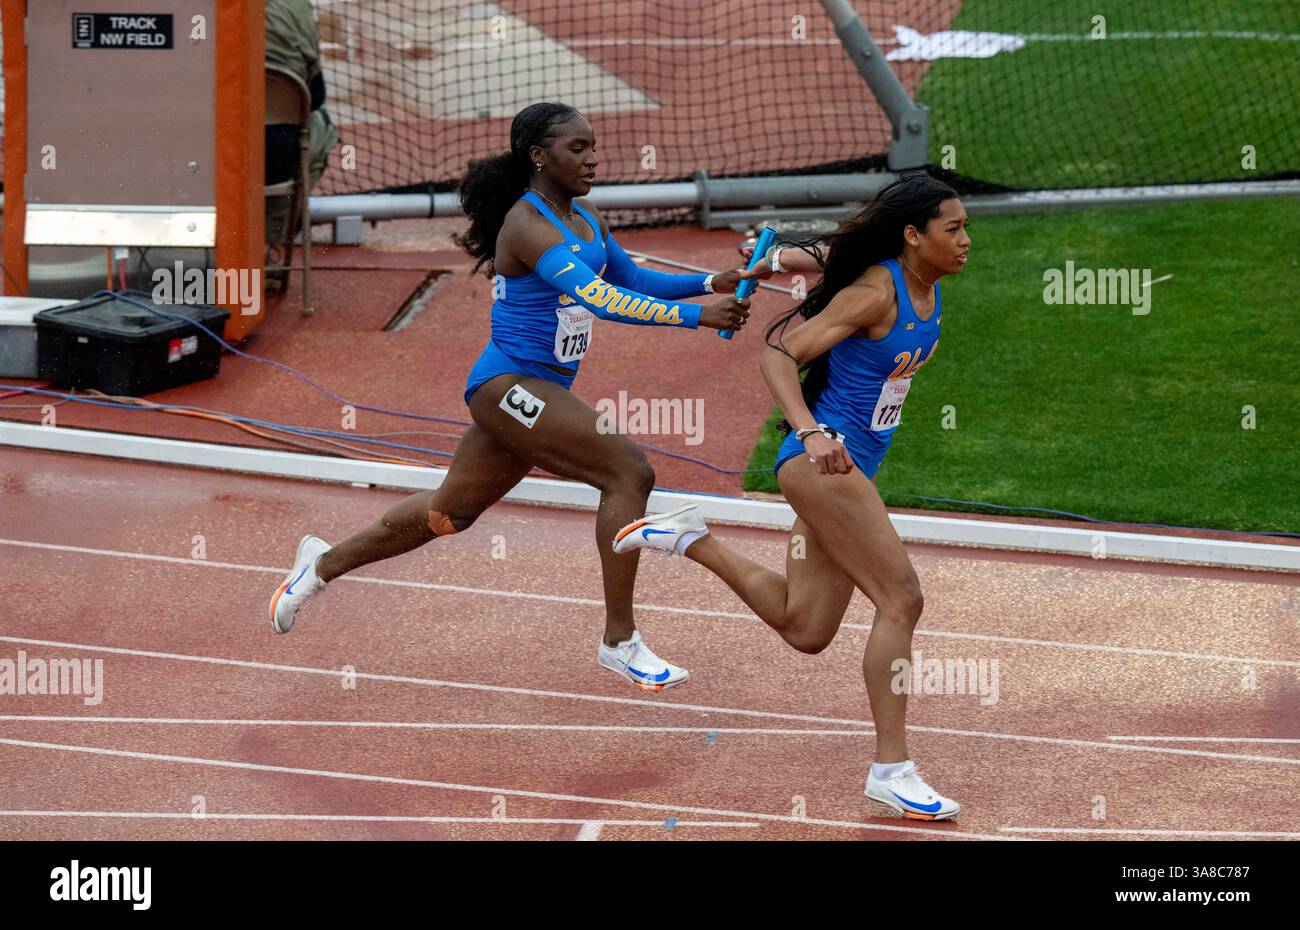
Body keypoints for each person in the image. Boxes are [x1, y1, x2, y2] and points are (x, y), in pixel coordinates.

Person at [268, 102, 751, 692]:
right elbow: (601, 300)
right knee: (628, 472)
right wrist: (698, 318)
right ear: (538, 156)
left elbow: (635, 280)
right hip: (506, 388)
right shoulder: (527, 225)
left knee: (449, 513)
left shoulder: (585, 217)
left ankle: (317, 566)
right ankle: (619, 642)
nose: (593, 158)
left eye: (594, 146)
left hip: (537, 391)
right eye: (578, 148)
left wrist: (709, 283)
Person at [611, 174, 971, 819]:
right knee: (902, 598)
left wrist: (777, 257)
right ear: (914, 236)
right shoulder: (873, 294)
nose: (967, 240)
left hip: (850, 468)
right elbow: (779, 353)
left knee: (806, 629)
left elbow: (824, 252)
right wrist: (809, 432)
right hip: (821, 467)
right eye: (955, 228)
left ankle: (690, 539)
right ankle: (892, 768)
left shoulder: (920, 279)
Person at [265, 0, 341, 243]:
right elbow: (314, 96)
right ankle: (270, 244)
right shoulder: (295, 7)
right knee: (321, 126)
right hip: (273, 156)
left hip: (206, 155)